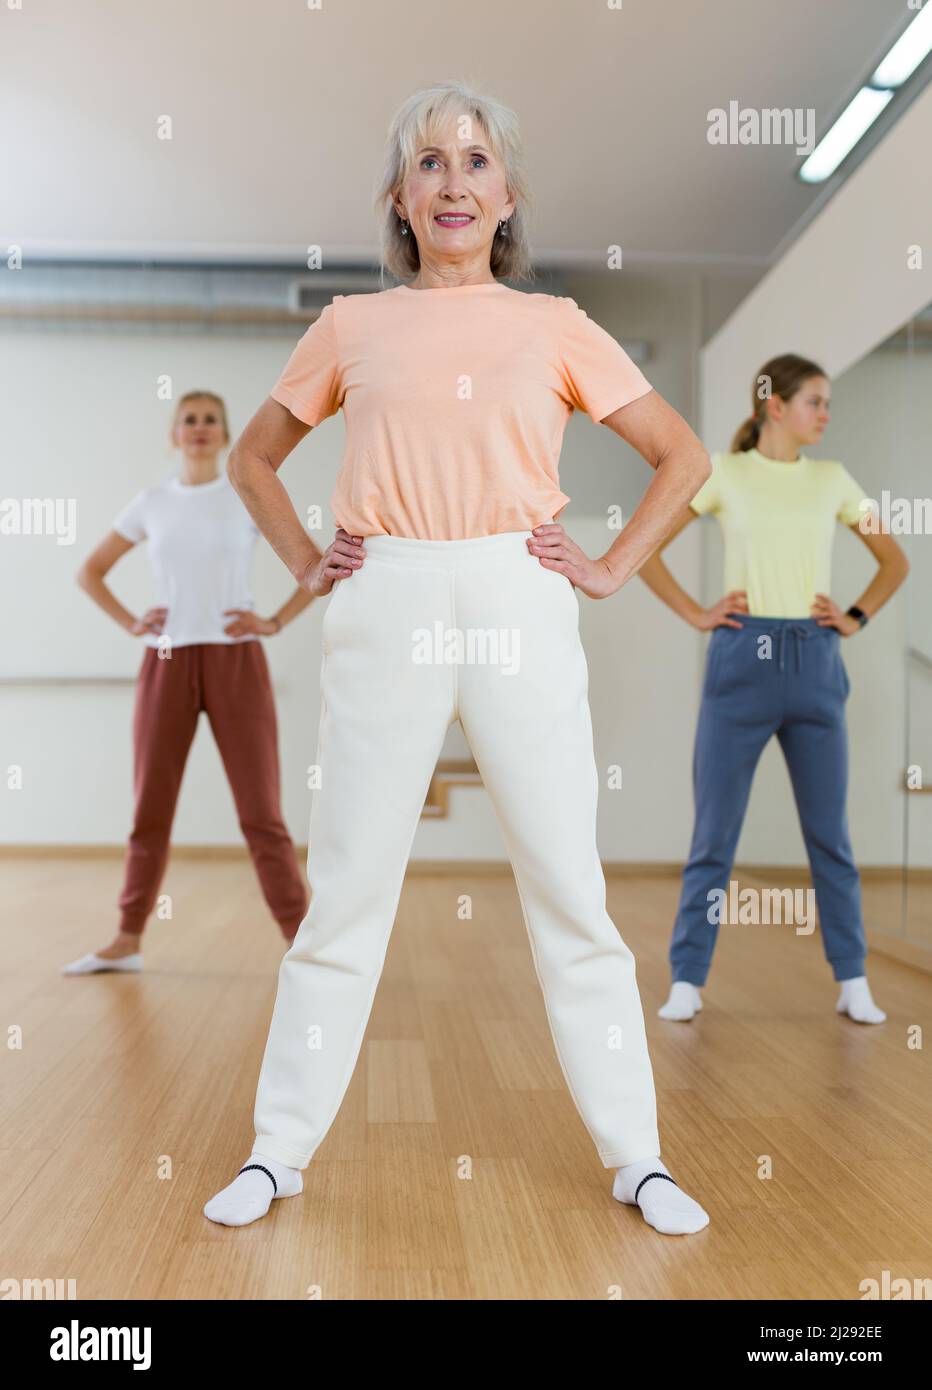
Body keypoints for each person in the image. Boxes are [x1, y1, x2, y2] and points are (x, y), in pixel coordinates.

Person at [203, 81, 713, 1236]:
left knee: (568, 889)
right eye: (427, 163)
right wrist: (309, 562)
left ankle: (636, 1157)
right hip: (385, 591)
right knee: (344, 894)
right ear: (398, 195)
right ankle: (277, 1152)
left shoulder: (557, 327)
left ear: (505, 195)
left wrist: (607, 565)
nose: (451, 181)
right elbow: (254, 460)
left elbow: (679, 458)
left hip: (515, 593)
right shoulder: (350, 326)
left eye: (474, 162)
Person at [633, 354, 909, 1023]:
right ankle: (687, 980)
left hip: (816, 662)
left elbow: (895, 560)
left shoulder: (833, 479)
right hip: (740, 665)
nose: (826, 414)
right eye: (816, 401)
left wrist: (853, 617)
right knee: (714, 836)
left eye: (828, 403)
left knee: (830, 838)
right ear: (774, 406)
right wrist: (698, 613)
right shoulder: (724, 474)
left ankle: (853, 981)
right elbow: (642, 548)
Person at [65, 390, 312, 974]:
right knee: (150, 806)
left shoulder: (246, 496)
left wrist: (273, 621)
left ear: (226, 435)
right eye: (189, 420)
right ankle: (127, 939)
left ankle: (301, 941)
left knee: (261, 812)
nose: (199, 428)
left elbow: (313, 567)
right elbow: (90, 571)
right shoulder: (152, 502)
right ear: (174, 434)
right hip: (166, 661)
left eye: (210, 421)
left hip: (237, 662)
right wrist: (132, 621)